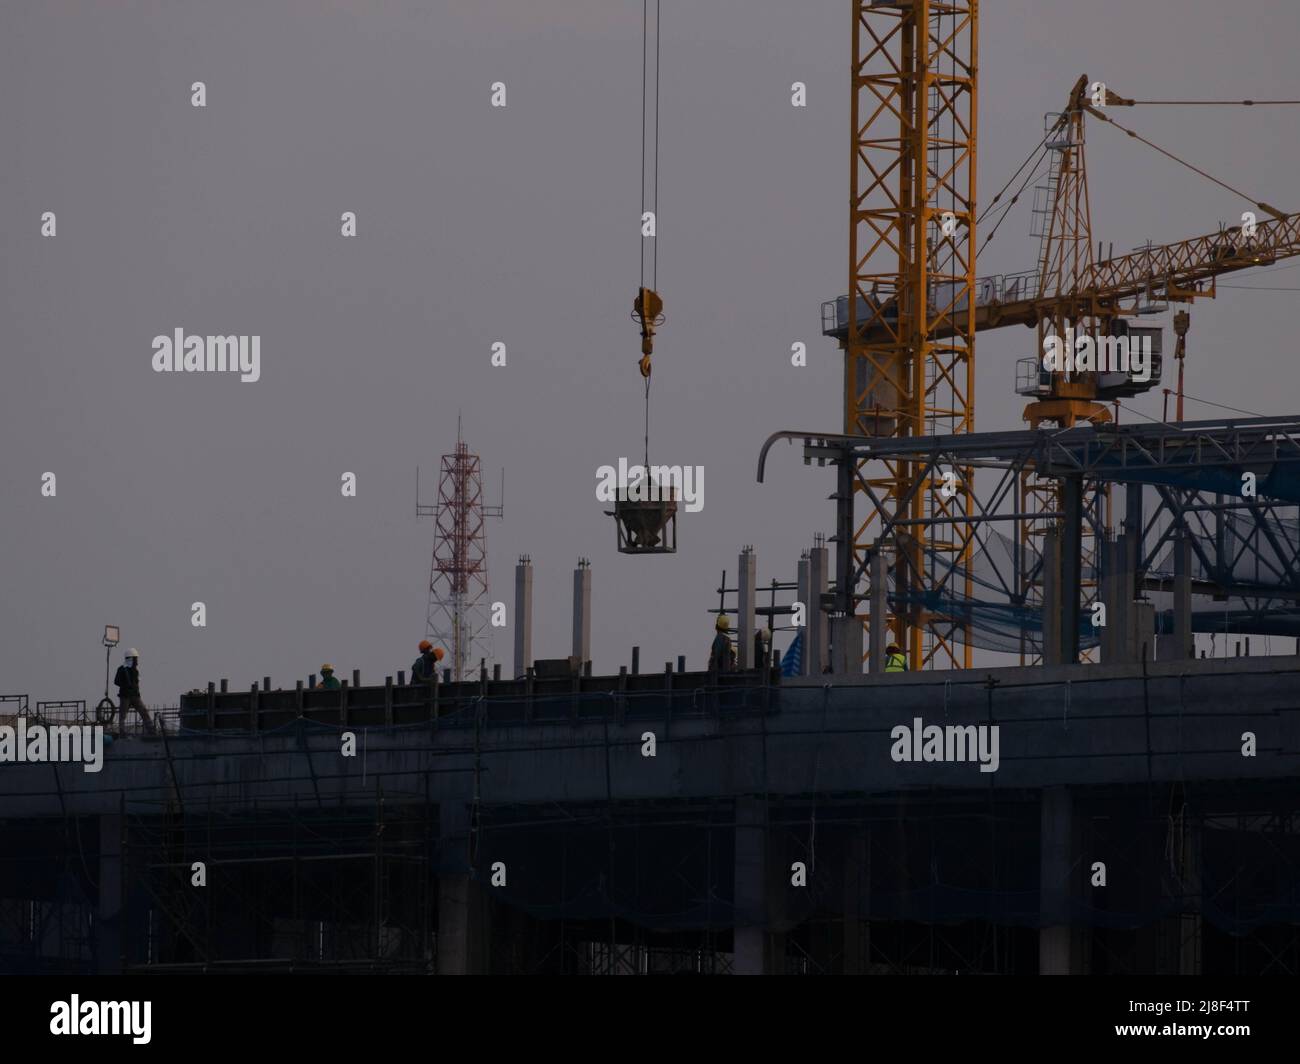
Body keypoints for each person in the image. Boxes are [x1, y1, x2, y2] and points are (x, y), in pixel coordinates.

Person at [112, 648, 157, 736]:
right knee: (123, 715)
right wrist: (125, 685)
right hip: (125, 696)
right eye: (135, 658)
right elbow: (116, 681)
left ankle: (151, 730)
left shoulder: (135, 670)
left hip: (135, 696)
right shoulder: (122, 669)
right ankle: (122, 732)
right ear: (131, 658)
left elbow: (137, 683)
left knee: (144, 712)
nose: (137, 661)